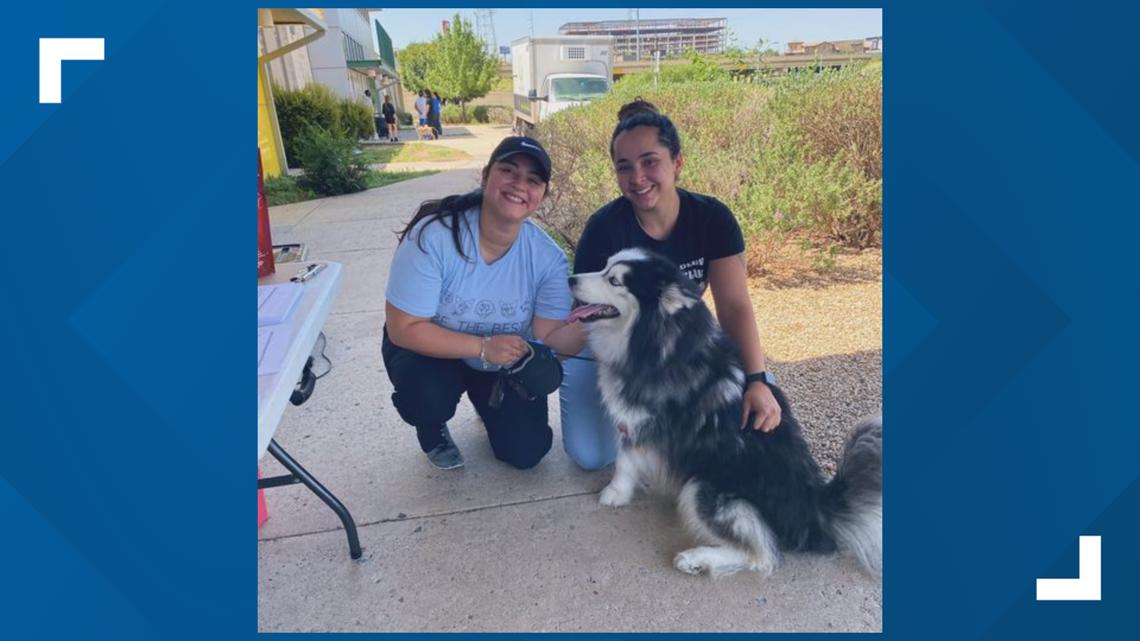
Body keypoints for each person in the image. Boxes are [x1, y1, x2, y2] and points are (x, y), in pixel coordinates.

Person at [559, 99, 783, 470]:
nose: (638, 178)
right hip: (613, 351)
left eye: (650, 162)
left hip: (677, 345)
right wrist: (625, 393)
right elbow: (590, 321)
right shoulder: (604, 229)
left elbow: (733, 307)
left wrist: (756, 379)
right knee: (592, 456)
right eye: (624, 167)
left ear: (677, 162)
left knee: (754, 416)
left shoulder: (712, 217)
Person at [383, 136, 579, 470]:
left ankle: (486, 404)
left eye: (533, 180)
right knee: (427, 395)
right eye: (509, 171)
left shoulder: (548, 259)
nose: (520, 185)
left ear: (541, 197)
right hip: (431, 352)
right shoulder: (435, 235)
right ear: (486, 175)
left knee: (527, 452)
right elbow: (404, 329)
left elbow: (548, 337)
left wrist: (602, 324)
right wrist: (483, 347)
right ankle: (431, 424)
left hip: (499, 362)